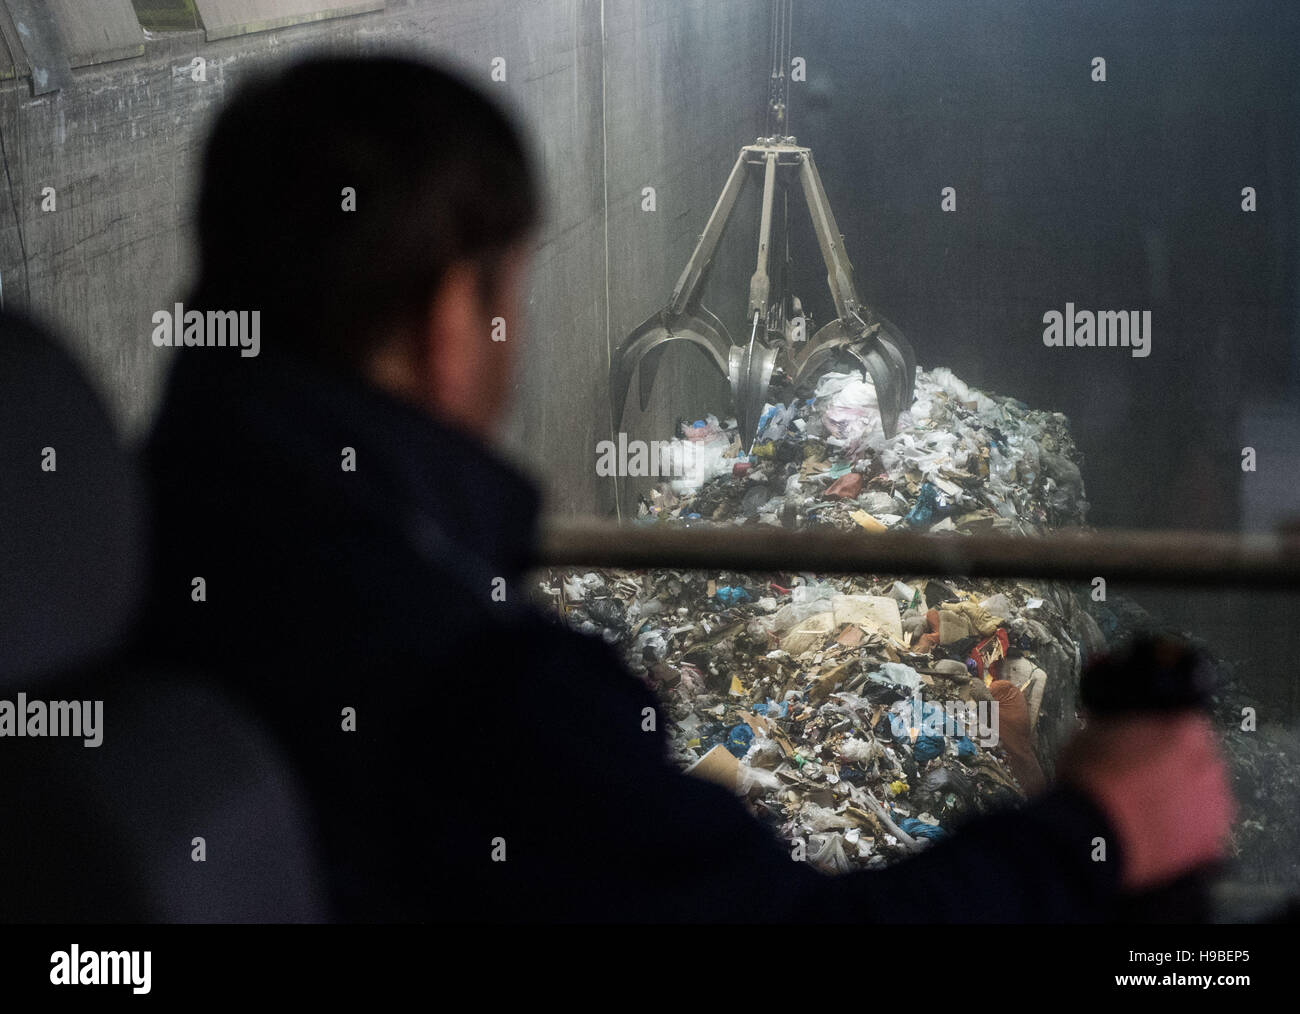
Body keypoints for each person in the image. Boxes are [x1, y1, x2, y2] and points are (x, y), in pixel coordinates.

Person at [137, 55, 1231, 922]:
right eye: (508, 296)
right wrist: (1093, 830)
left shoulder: (130, 574)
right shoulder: (488, 696)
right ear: (446, 321)